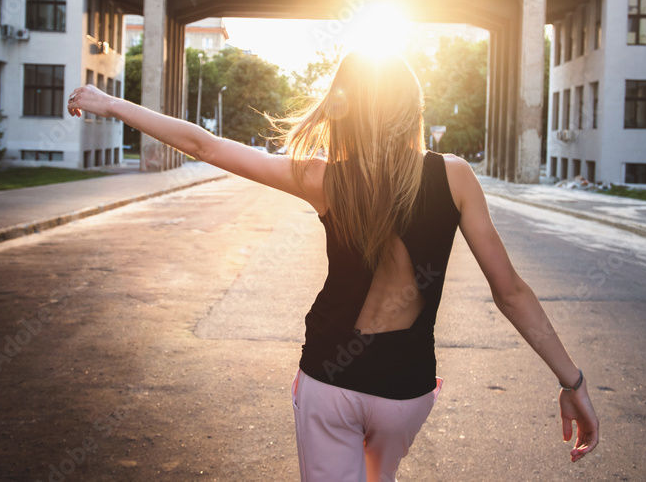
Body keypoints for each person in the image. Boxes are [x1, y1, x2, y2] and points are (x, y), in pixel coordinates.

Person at [66, 51, 598, 481]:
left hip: (329, 382)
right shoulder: (454, 176)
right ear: (410, 105)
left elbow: (202, 144)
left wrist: (113, 102)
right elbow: (511, 293)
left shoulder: (324, 179)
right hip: (405, 394)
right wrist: (571, 380)